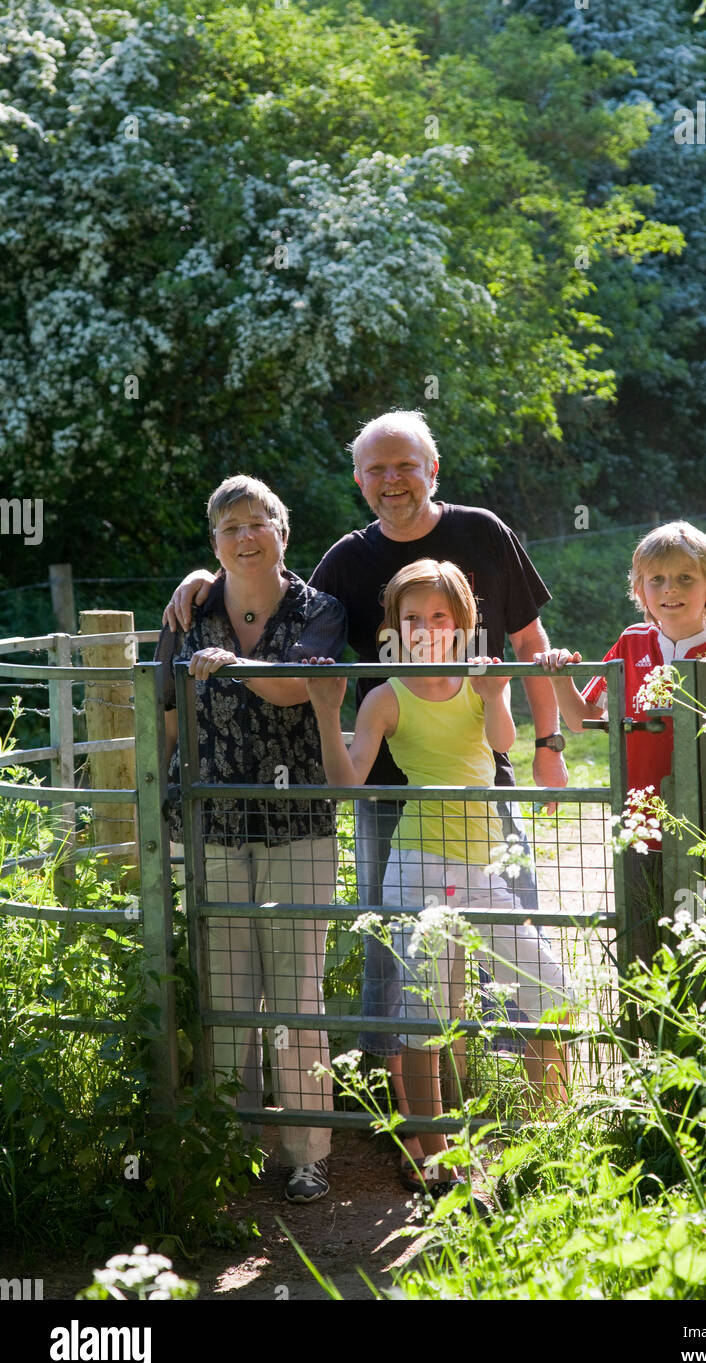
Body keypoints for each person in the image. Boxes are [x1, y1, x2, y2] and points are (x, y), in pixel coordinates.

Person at [161, 411, 568, 1154]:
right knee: (403, 953)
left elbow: (530, 642)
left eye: (405, 466)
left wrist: (551, 742)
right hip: (386, 783)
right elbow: (284, 604)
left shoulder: (482, 532)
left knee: (516, 941)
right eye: (376, 470)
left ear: (432, 469)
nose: (391, 481)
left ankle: (519, 1114)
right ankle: (413, 1128)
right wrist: (206, 579)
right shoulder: (348, 560)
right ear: (358, 480)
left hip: (483, 774)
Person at [305, 560, 574, 1192]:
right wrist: (325, 709)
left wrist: (490, 693)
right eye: (412, 618)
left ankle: (551, 1139)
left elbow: (502, 742)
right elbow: (348, 783)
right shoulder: (385, 697)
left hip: (485, 868)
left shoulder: (479, 681)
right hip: (421, 870)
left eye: (439, 617)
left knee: (551, 991)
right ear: (393, 629)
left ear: (462, 623)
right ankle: (438, 1159)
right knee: (430, 1020)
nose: (426, 628)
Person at [155, 475, 347, 1204]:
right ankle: (227, 1145)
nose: (244, 537)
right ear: (214, 543)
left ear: (282, 531)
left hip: (294, 821)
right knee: (225, 989)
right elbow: (170, 713)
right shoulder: (190, 609)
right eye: (229, 527)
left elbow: (301, 687)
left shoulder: (319, 609)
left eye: (256, 523)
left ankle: (306, 1153)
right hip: (208, 824)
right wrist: (169, 790)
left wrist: (237, 667)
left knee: (296, 990)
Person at [534, 519, 706, 964]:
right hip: (644, 828)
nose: (671, 589)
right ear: (640, 590)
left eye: (686, 578)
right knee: (646, 954)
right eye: (657, 579)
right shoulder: (631, 643)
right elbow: (582, 719)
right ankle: (653, 1034)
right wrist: (559, 676)